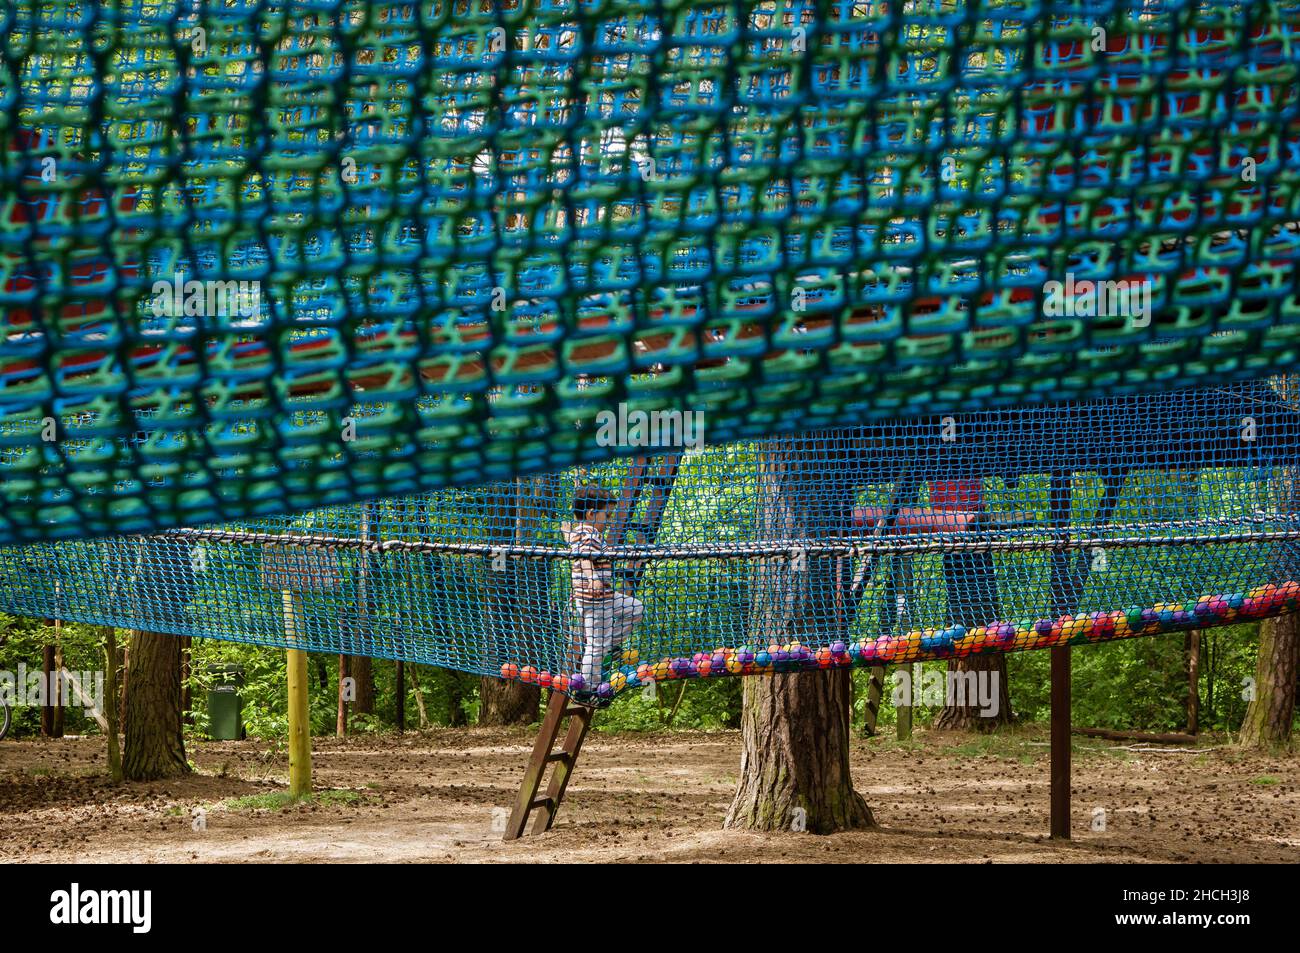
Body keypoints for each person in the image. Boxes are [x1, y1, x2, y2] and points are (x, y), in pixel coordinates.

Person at [561, 484, 644, 696]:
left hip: (606, 598)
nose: (608, 521)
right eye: (606, 515)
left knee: (636, 608)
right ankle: (588, 688)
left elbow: (581, 549)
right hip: (595, 598)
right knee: (596, 647)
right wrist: (593, 578)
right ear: (591, 513)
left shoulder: (584, 534)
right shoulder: (587, 533)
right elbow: (583, 556)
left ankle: (611, 644)